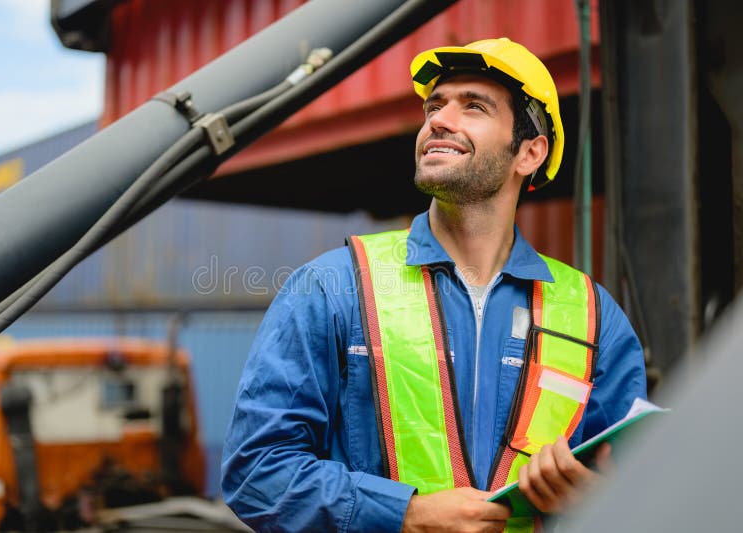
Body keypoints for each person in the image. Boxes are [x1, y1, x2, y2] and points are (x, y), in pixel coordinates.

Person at [221, 37, 647, 533]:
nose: (438, 121)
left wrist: (597, 499)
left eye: (474, 106)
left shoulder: (594, 315)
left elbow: (642, 481)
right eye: (434, 106)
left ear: (529, 153)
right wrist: (406, 514)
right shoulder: (333, 285)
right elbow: (255, 472)